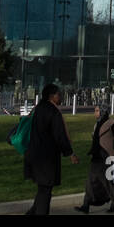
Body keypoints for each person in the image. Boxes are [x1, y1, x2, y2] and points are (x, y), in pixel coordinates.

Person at [24, 83, 78, 215]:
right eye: (58, 94)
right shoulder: (53, 112)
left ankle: (32, 212)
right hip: (47, 156)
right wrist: (70, 153)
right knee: (46, 189)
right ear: (51, 96)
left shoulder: (38, 109)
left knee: (43, 187)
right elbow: (60, 136)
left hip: (33, 153)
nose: (60, 97)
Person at [76, 105, 114, 213]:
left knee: (109, 181)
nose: (95, 113)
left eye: (97, 111)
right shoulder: (96, 124)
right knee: (90, 181)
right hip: (96, 156)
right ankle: (86, 204)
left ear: (102, 111)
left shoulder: (112, 123)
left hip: (107, 156)